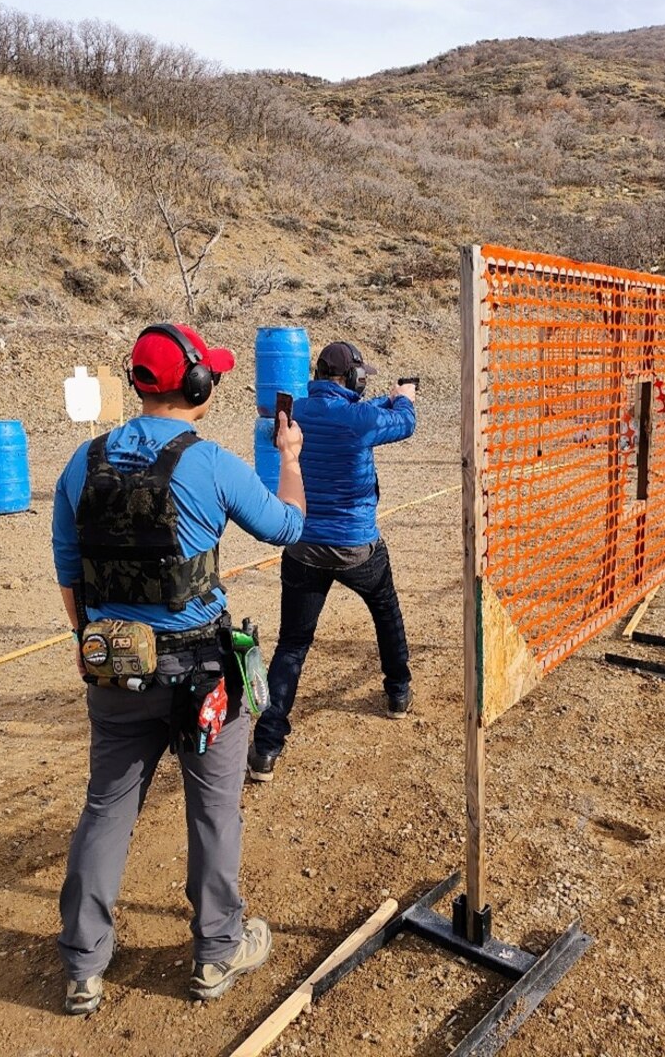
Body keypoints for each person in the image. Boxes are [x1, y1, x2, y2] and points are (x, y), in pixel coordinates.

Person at [51, 322, 305, 1015]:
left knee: (106, 809)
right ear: (195, 385)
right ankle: (217, 953)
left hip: (115, 671)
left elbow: (70, 577)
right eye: (210, 375)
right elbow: (288, 527)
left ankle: (82, 965)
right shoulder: (211, 462)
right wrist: (290, 458)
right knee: (214, 813)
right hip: (202, 676)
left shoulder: (82, 463)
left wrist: (103, 649)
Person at [248, 340, 416, 784]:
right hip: (355, 546)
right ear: (354, 378)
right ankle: (398, 691)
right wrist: (406, 400)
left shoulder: (298, 410)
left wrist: (387, 398)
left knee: (292, 645)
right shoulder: (360, 419)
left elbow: (353, 412)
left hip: (303, 547)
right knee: (386, 610)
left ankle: (266, 748)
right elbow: (403, 424)